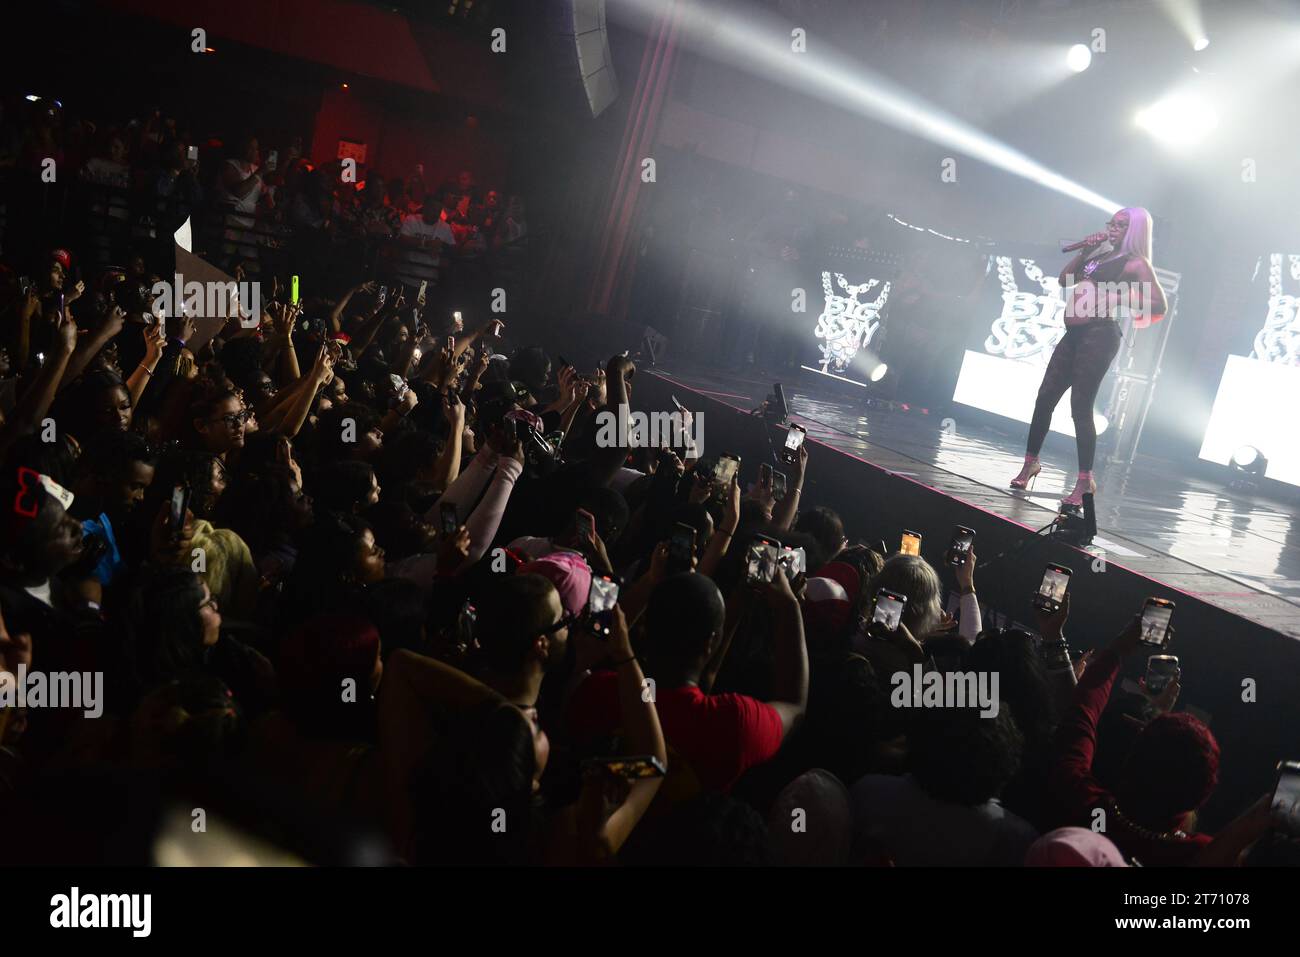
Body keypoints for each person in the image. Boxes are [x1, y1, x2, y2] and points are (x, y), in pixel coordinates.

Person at [1011, 207, 1168, 507]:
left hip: (1099, 336)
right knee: (1045, 398)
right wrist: (1085, 251)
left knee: (1080, 407)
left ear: (1134, 230)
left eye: (1121, 225)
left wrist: (1118, 297)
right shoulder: (1099, 255)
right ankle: (1030, 463)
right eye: (1112, 223)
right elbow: (1064, 279)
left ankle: (1085, 480)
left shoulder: (1136, 263)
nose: (1113, 229)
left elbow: (1158, 304)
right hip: (1074, 335)